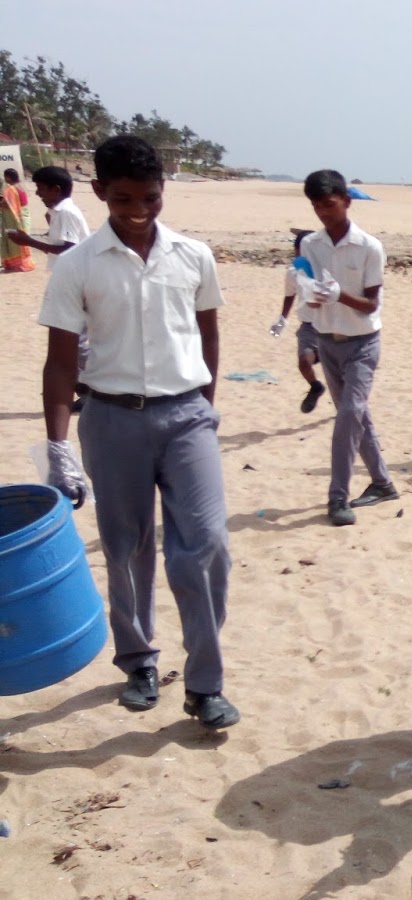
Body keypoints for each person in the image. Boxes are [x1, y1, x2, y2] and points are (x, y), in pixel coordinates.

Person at [37, 135, 239, 728]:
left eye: (150, 197)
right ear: (99, 191)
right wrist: (57, 447)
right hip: (110, 417)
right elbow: (59, 360)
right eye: (123, 197)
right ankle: (138, 659)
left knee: (205, 546)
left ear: (162, 191)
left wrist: (205, 402)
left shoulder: (193, 255)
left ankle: (205, 683)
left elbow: (208, 334)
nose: (138, 210)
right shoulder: (77, 265)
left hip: (186, 416)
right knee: (126, 547)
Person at [299, 169, 397, 525]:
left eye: (329, 204)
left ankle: (337, 496)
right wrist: (309, 303)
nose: (324, 212)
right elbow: (306, 294)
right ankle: (383, 483)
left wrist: (341, 295)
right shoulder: (311, 245)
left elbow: (372, 304)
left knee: (349, 413)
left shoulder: (369, 247)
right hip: (328, 341)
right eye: (316, 206)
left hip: (363, 343)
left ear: (346, 201)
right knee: (357, 417)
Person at [11, 166, 94, 407]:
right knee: (73, 339)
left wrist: (28, 241)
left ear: (55, 190)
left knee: (77, 341)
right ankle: (88, 389)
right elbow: (61, 240)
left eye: (41, 188)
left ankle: (97, 388)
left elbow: (70, 247)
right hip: (70, 280)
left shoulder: (66, 212)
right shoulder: (59, 212)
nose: (38, 194)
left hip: (77, 281)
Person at [269, 229, 328, 412]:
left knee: (339, 373)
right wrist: (282, 320)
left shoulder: (327, 268)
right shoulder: (293, 272)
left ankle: (345, 404)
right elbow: (289, 295)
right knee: (304, 362)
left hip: (331, 326)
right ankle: (316, 386)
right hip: (309, 326)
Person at [2, 168, 35, 272]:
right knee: (22, 239)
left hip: (14, 217)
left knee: (14, 240)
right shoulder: (22, 186)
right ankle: (23, 262)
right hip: (24, 215)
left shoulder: (11, 189)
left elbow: (8, 204)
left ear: (8, 177)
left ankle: (16, 264)